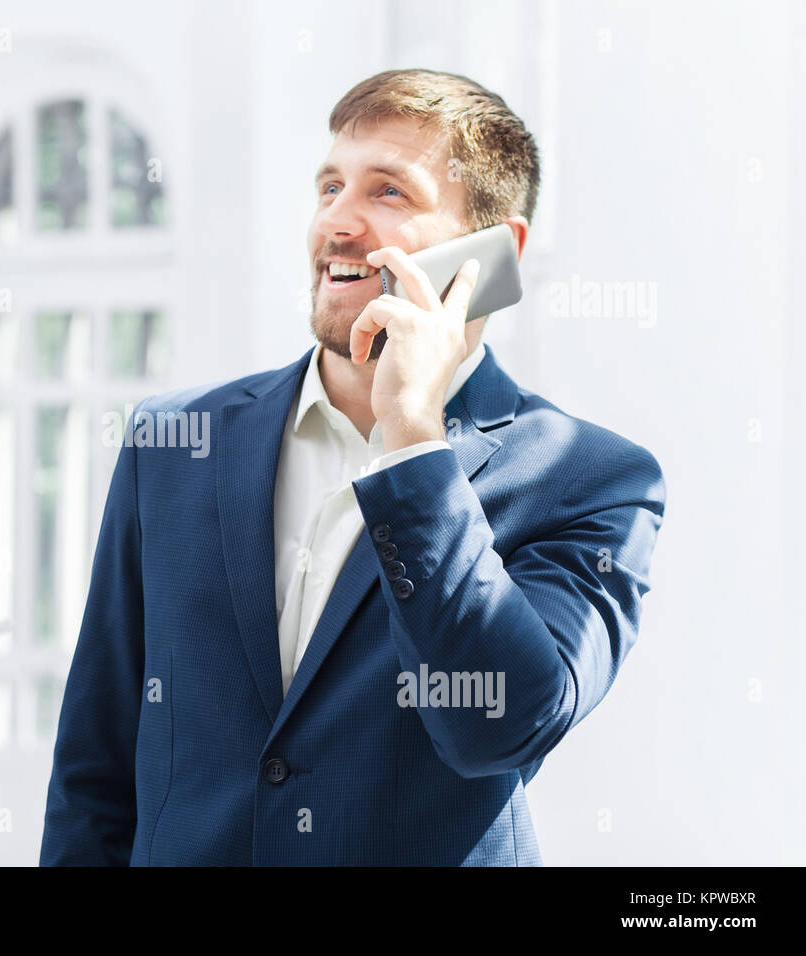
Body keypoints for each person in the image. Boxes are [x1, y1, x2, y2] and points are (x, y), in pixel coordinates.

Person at [40, 69, 667, 866]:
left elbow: (497, 726)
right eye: (329, 185)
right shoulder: (173, 441)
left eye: (389, 193)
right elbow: (95, 766)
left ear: (494, 254)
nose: (336, 221)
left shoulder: (592, 481)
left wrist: (414, 441)